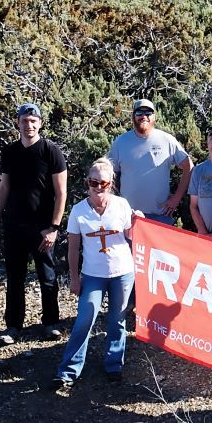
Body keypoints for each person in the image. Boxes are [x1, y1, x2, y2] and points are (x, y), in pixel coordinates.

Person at [53, 158, 141, 390]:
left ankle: (114, 365)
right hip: (92, 273)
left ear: (111, 184)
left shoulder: (122, 205)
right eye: (94, 182)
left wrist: (136, 221)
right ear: (87, 183)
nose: (98, 187)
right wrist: (74, 278)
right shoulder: (78, 211)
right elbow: (73, 248)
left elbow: (130, 236)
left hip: (122, 271)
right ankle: (69, 370)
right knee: (85, 318)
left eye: (103, 183)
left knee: (117, 319)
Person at [0, 103, 67, 345]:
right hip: (14, 225)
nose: (29, 125)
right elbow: (4, 187)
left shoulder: (50, 150)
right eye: (25, 120)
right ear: (17, 123)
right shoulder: (10, 152)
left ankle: (51, 323)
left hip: (42, 226)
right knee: (15, 278)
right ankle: (13, 326)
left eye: (33, 121)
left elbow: (61, 192)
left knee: (47, 275)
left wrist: (53, 227)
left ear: (40, 123)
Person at [108, 98, 193, 224]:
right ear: (133, 116)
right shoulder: (121, 142)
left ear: (154, 117)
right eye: (139, 113)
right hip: (128, 217)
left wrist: (176, 198)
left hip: (160, 216)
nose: (144, 116)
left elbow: (189, 167)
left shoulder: (167, 140)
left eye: (148, 113)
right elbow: (109, 173)